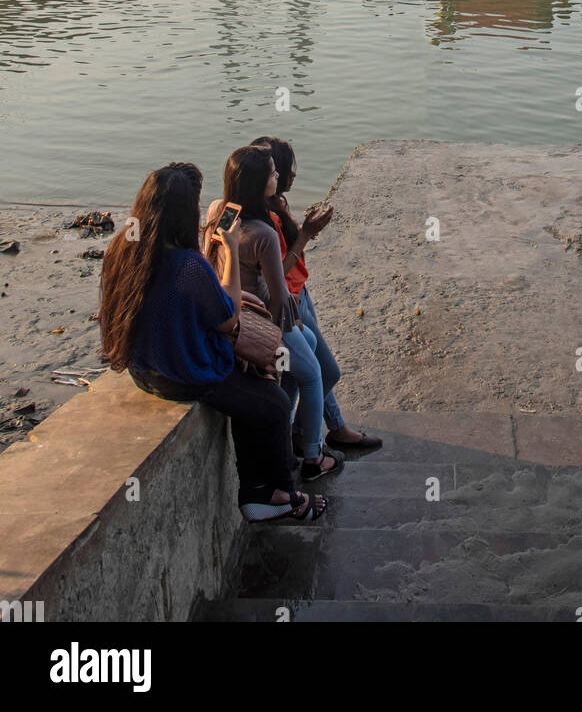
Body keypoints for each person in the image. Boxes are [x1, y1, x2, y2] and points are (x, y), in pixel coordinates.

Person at [99, 162, 326, 523]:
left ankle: (258, 492)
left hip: (142, 367)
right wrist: (231, 250)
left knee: (253, 395)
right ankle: (282, 495)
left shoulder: (123, 248)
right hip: (180, 373)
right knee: (274, 402)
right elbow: (228, 318)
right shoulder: (187, 264)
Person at [204, 145, 344, 482]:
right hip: (264, 322)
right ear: (258, 183)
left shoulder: (221, 212)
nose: (278, 176)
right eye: (272, 173)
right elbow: (279, 297)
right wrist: (293, 324)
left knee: (305, 351)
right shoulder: (264, 234)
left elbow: (211, 254)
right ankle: (313, 456)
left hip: (237, 312)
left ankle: (293, 439)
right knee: (314, 375)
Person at [253, 134, 382, 453]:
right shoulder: (261, 219)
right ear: (273, 174)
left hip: (298, 294)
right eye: (284, 170)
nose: (293, 175)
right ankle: (305, 443)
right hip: (287, 302)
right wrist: (306, 234)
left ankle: (330, 428)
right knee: (322, 372)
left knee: (305, 371)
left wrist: (303, 228)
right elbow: (275, 274)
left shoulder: (277, 206)